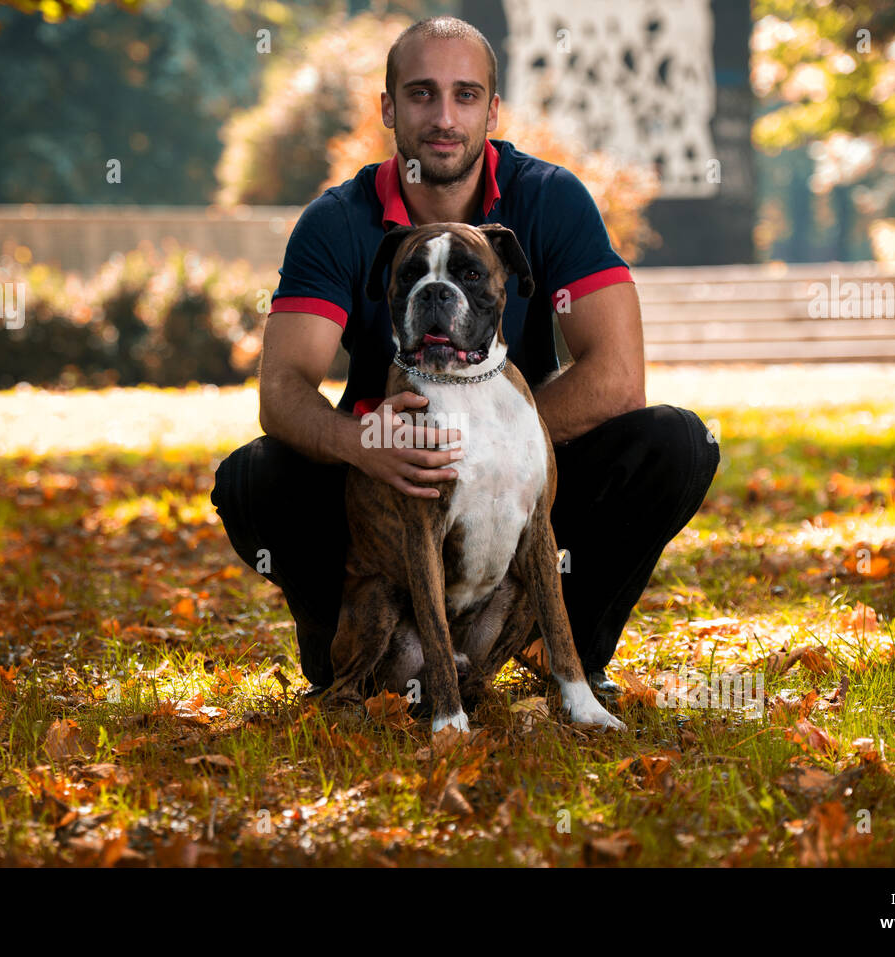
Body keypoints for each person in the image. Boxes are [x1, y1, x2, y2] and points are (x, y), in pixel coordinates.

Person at [212, 15, 720, 700]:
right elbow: (283, 389)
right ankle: (354, 650)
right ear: (388, 107)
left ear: (493, 109)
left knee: (674, 441)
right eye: (421, 94)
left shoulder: (550, 199)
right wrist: (363, 442)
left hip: (525, 484)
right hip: (388, 485)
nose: (444, 117)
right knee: (254, 475)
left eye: (465, 94)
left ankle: (564, 651)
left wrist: (492, 447)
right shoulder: (338, 221)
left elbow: (618, 374)